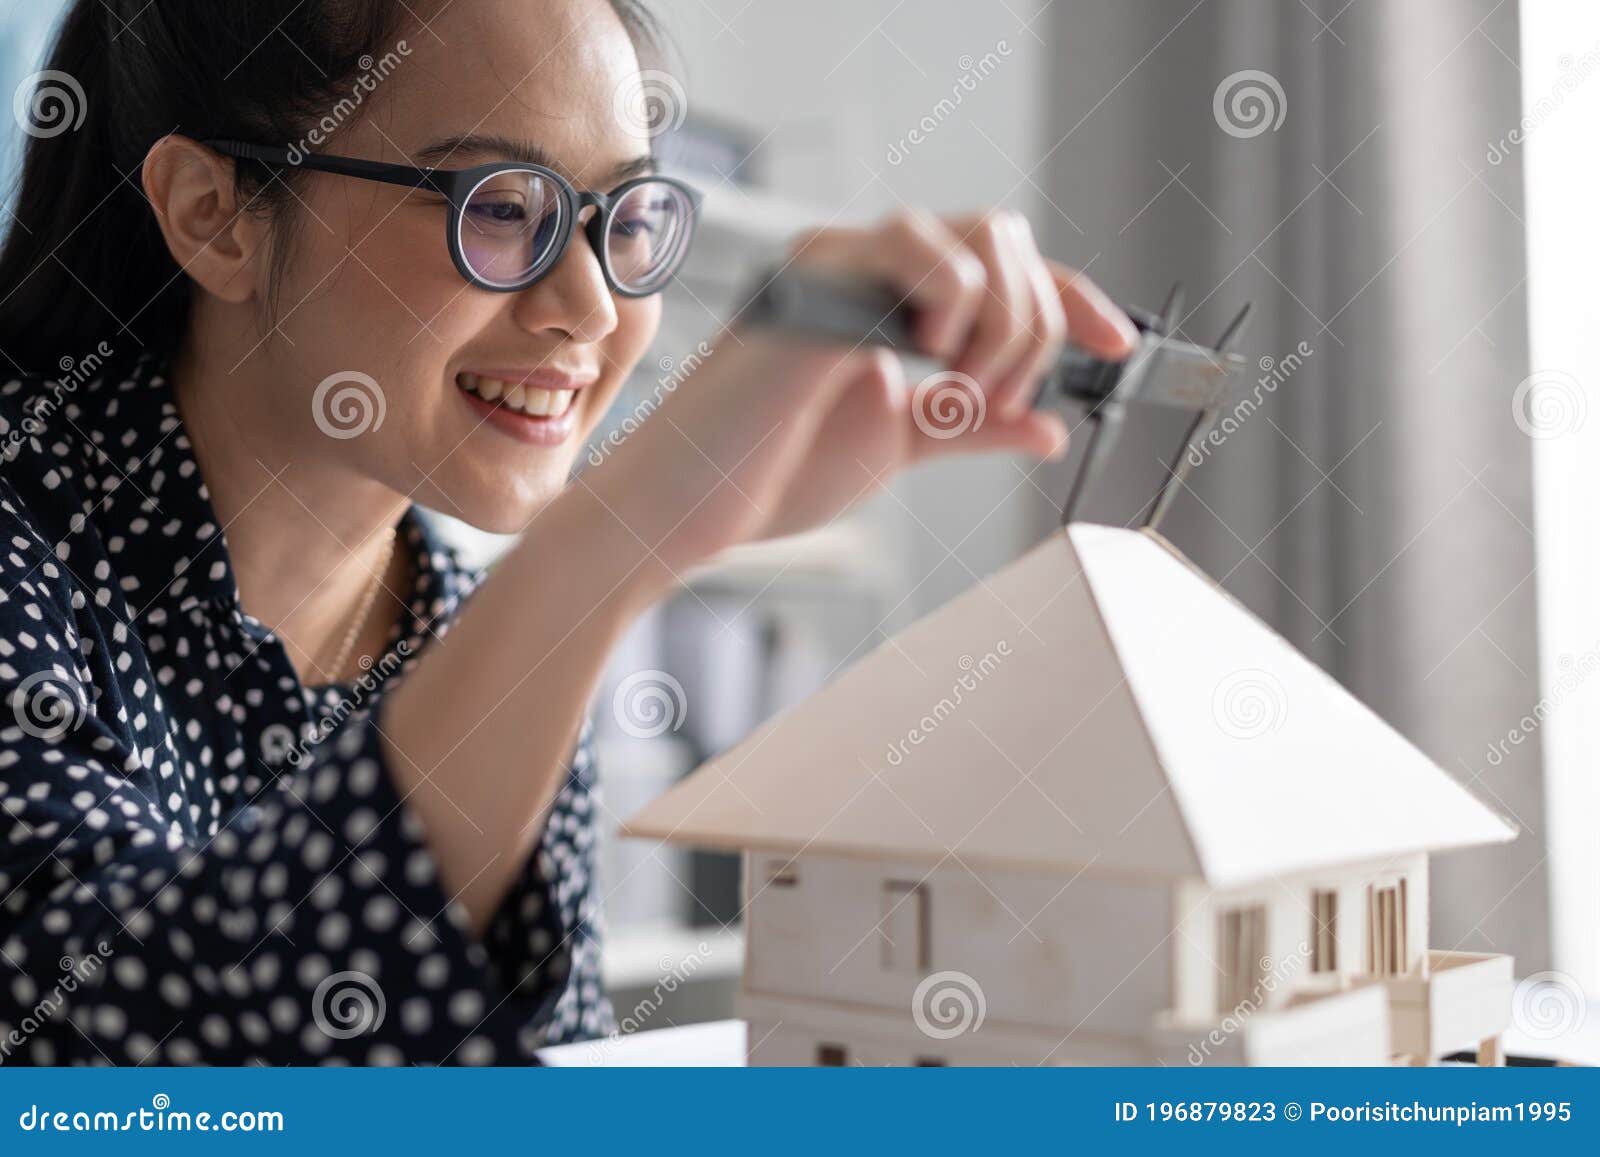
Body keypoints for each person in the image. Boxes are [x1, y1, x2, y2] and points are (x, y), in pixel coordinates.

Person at [0, 0, 1135, 1065]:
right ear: (215, 215)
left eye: (625, 217)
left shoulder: (454, 620)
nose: (589, 308)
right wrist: (620, 544)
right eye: (498, 206)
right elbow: (119, 1054)